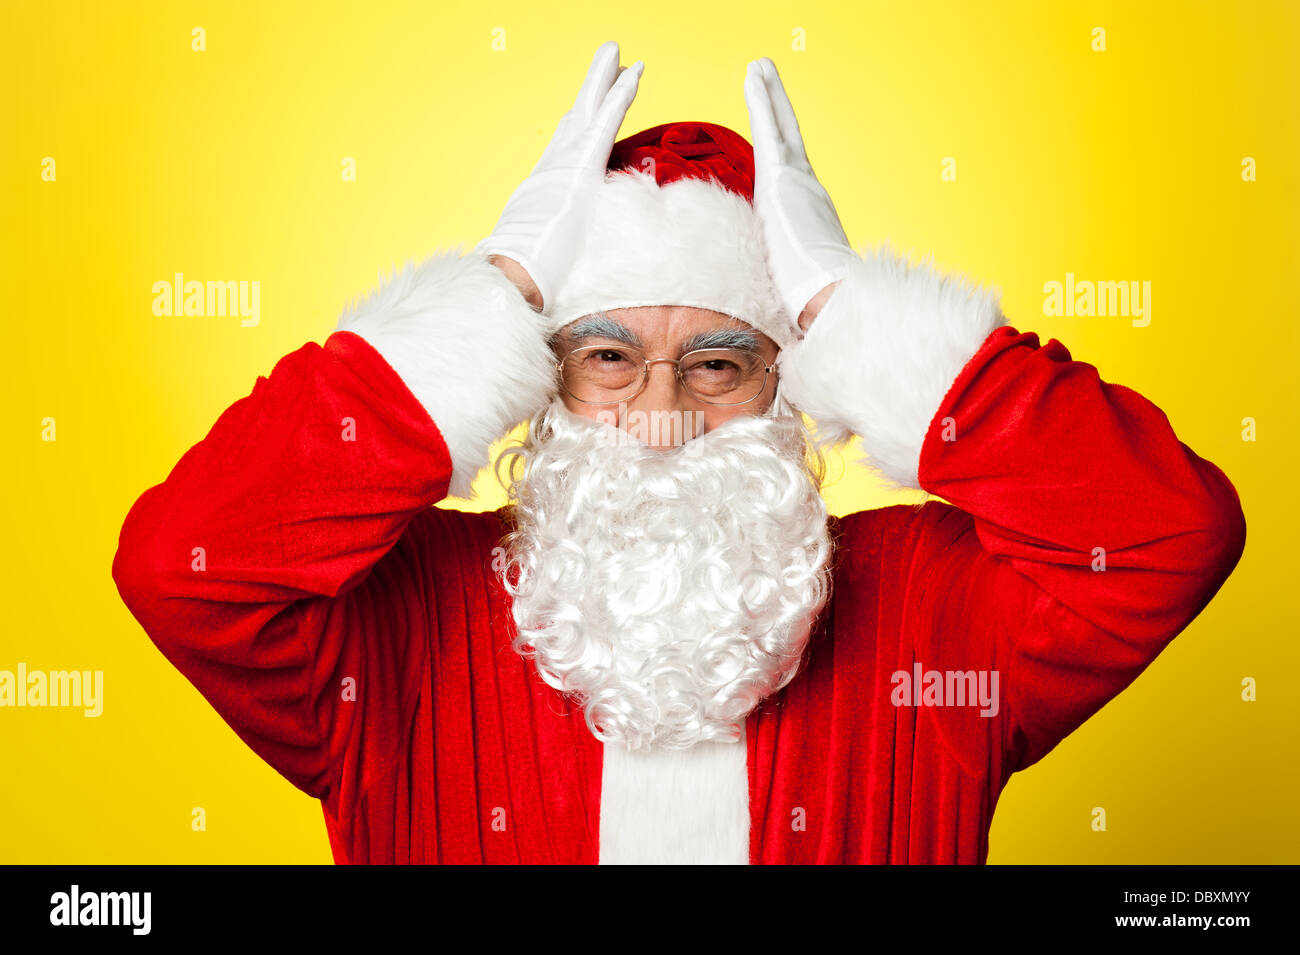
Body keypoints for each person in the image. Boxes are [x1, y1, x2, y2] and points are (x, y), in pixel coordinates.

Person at [111, 41, 1246, 864]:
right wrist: (492, 293)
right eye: (606, 357)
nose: (661, 412)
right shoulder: (397, 626)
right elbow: (182, 562)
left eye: (716, 364)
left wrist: (855, 308)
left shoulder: (932, 613)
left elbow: (1167, 533)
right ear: (539, 378)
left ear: (784, 384)